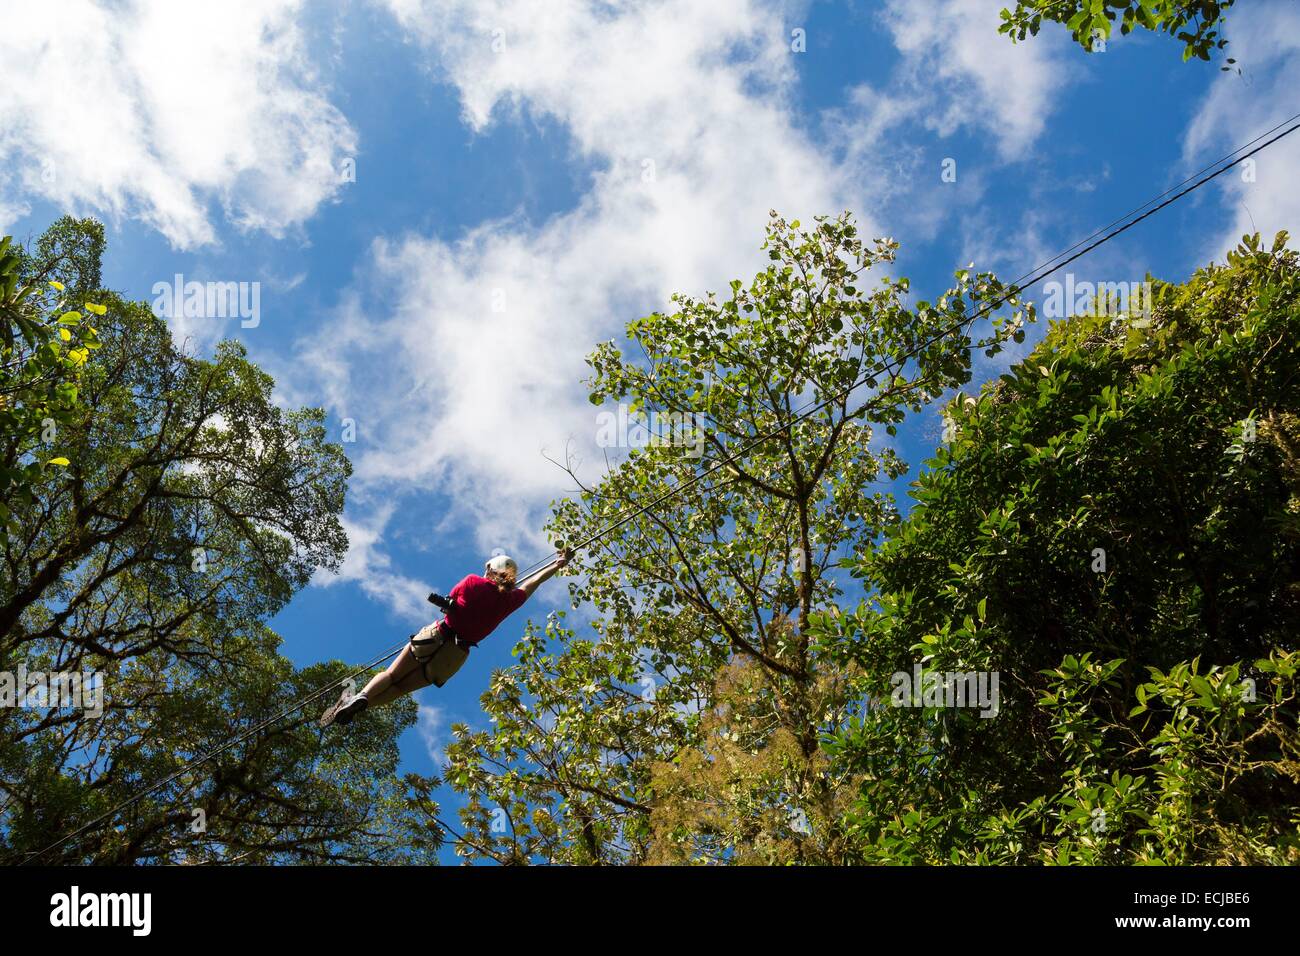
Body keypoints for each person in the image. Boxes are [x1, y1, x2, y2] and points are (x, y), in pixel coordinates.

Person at [319, 549, 570, 728]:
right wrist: (557, 564)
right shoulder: (510, 600)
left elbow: (451, 599)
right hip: (453, 656)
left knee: (392, 675)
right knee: (400, 688)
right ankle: (362, 706)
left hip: (437, 635)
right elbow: (532, 584)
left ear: (490, 569)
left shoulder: (473, 581)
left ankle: (361, 696)